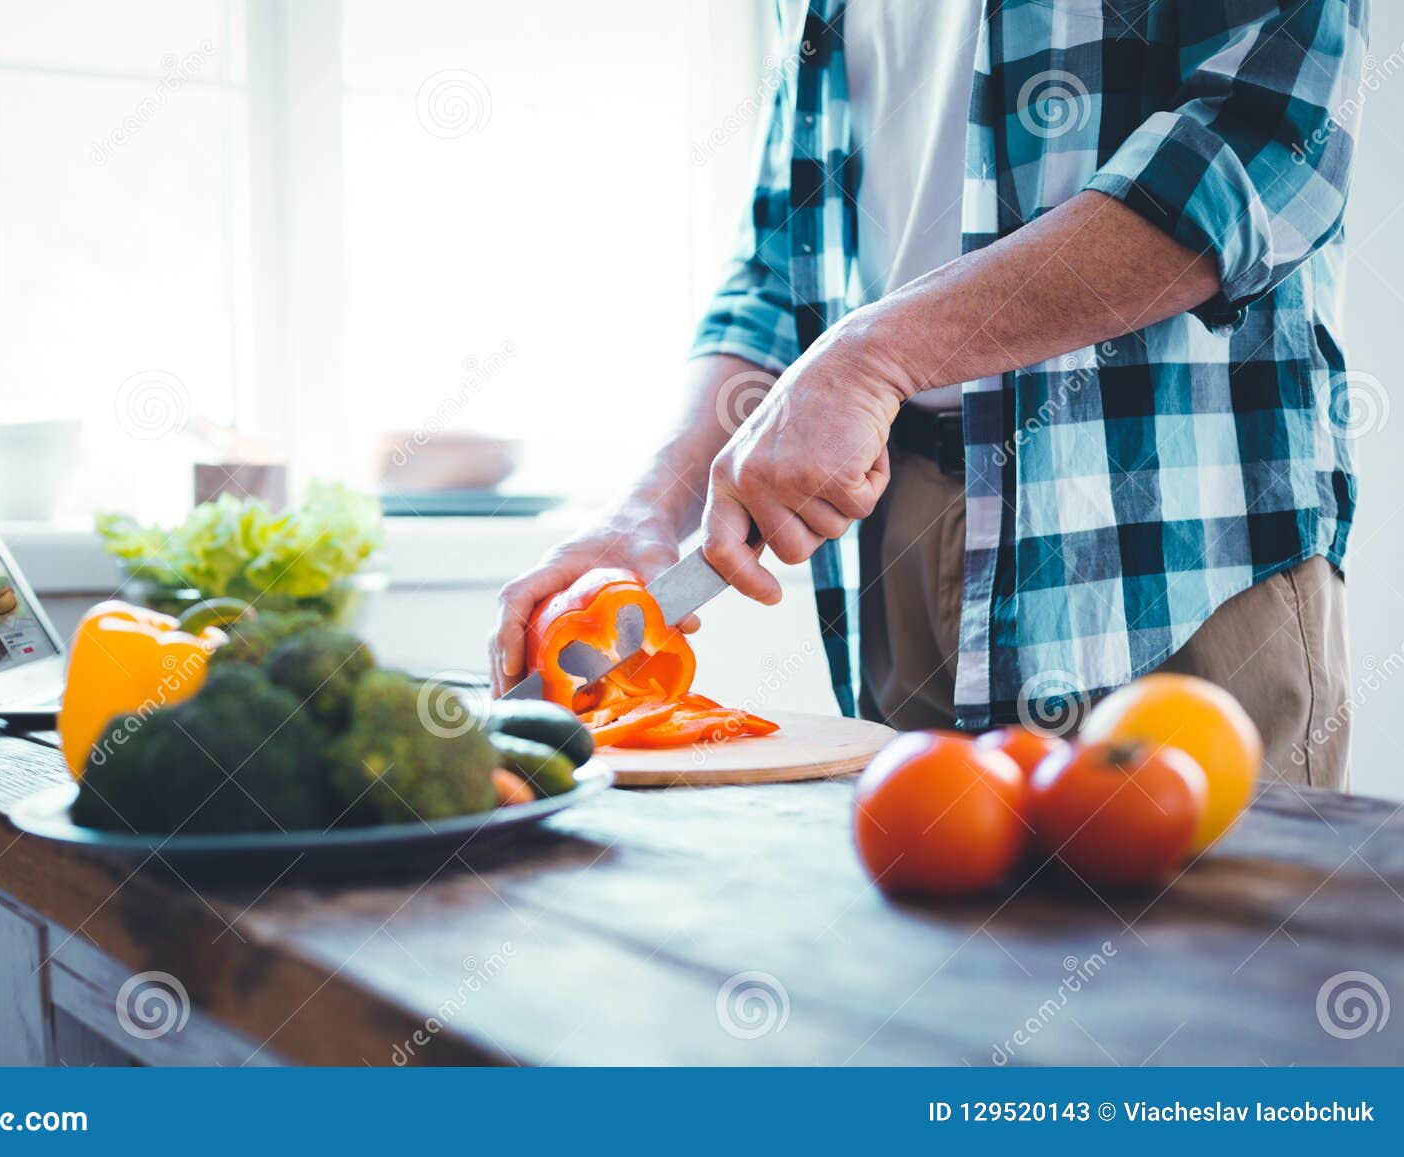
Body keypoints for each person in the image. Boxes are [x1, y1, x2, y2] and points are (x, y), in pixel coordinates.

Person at [491, 0, 1367, 789]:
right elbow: (782, 265)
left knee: (1208, 957)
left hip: (1170, 543)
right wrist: (647, 512)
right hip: (898, 532)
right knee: (925, 949)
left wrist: (872, 357)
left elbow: (1270, 141)